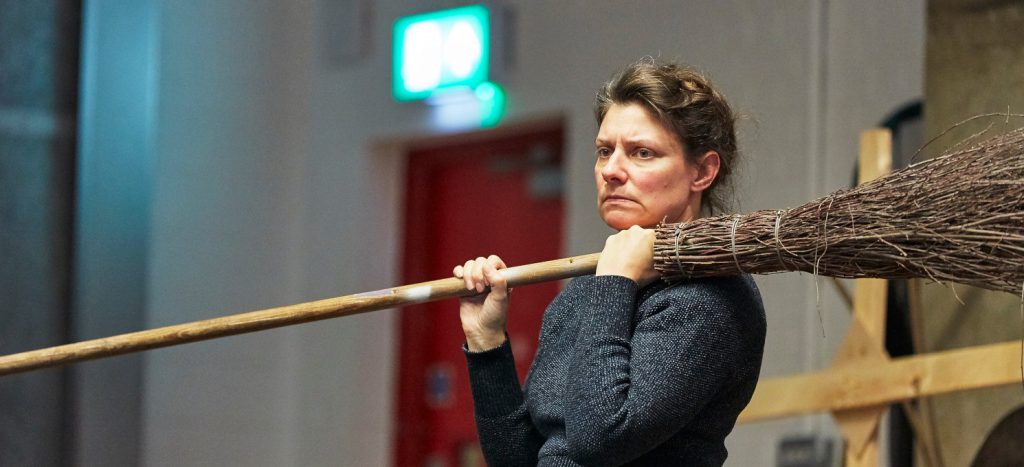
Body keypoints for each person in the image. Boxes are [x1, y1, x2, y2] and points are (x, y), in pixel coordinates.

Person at [452, 59, 766, 466]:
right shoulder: (589, 289)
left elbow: (602, 440)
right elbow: (525, 458)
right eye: (604, 151)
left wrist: (616, 283)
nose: (611, 171)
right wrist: (487, 342)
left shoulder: (709, 300)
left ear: (702, 171)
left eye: (642, 153)